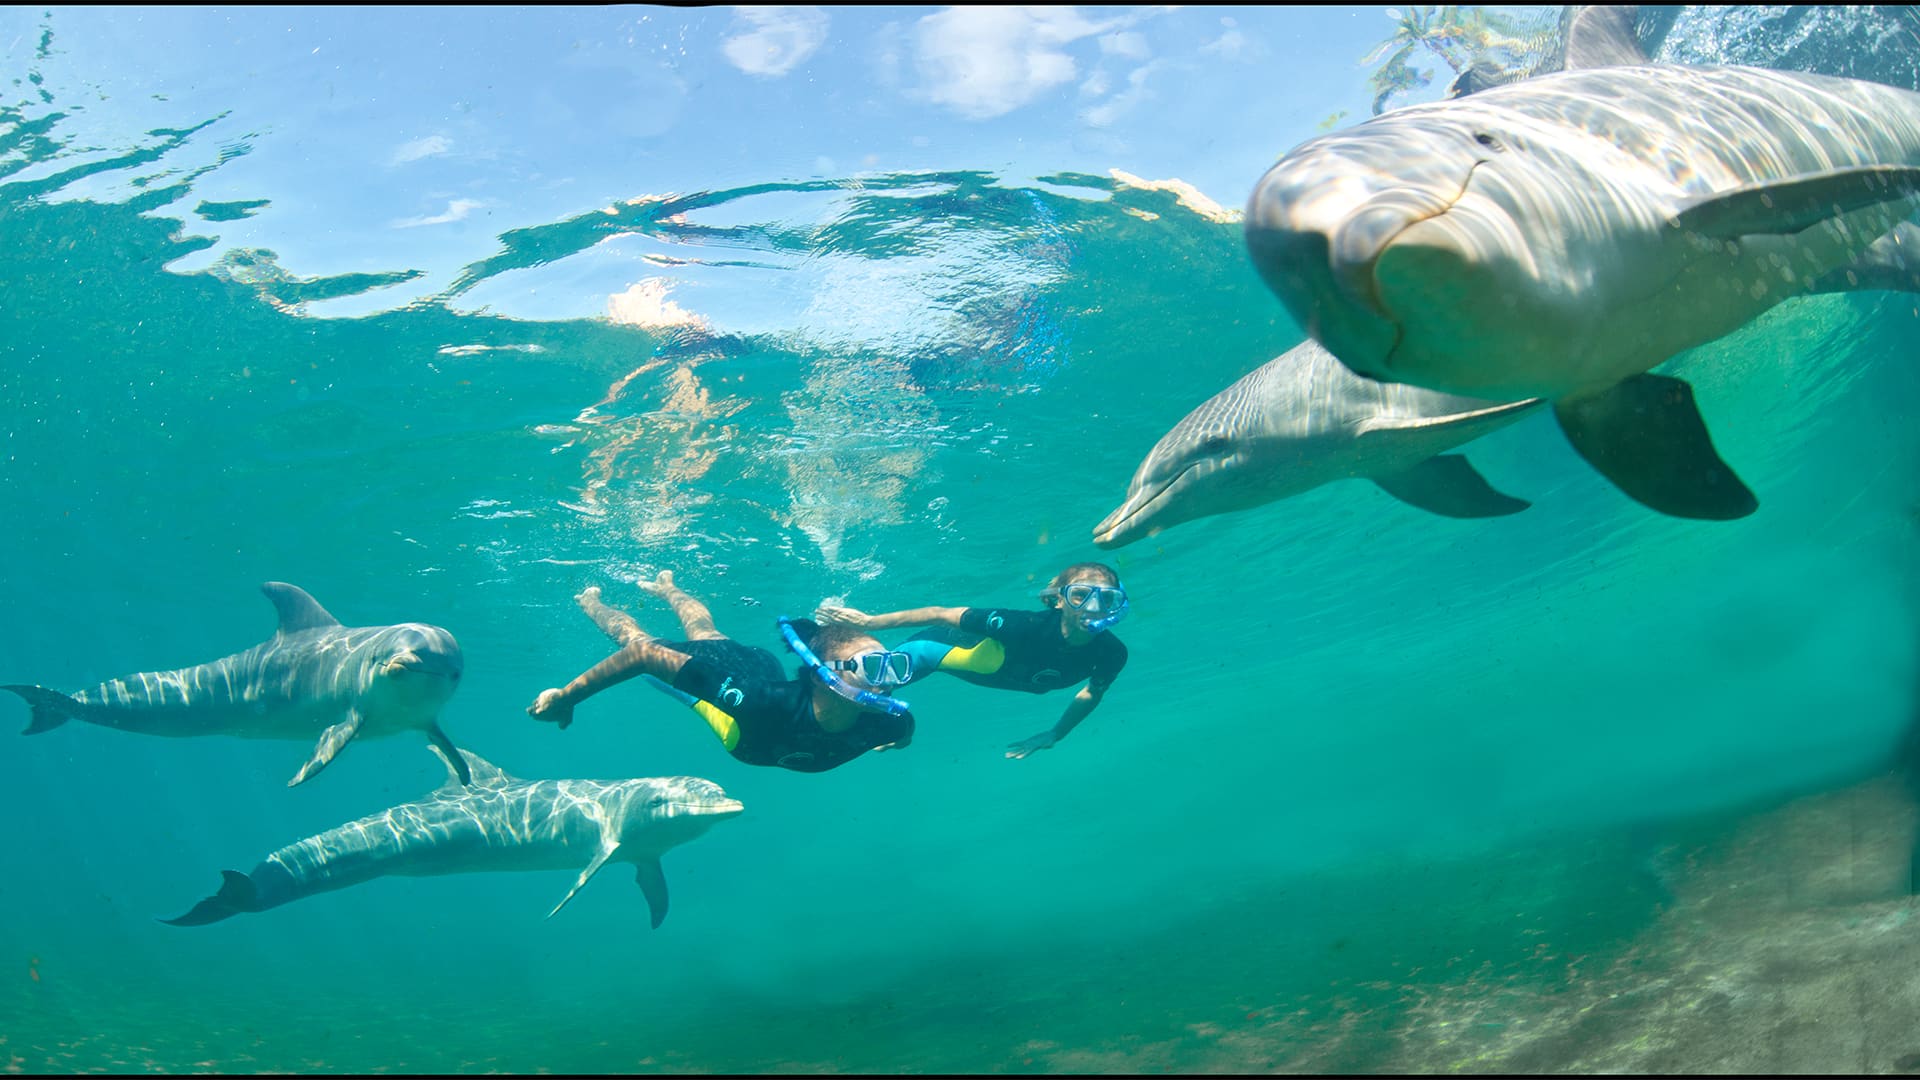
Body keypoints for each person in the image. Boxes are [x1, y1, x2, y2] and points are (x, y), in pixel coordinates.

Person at [527, 572, 913, 773]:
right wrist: (566, 696)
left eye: (893, 665)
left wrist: (890, 742)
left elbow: (904, 732)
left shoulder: (890, 722)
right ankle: (591, 602)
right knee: (636, 640)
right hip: (743, 712)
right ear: (821, 676)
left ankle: (668, 589)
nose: (888, 681)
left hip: (759, 669)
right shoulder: (761, 705)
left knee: (707, 634)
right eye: (872, 668)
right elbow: (643, 656)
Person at [814, 562, 1129, 759]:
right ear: (1059, 600)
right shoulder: (1024, 626)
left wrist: (1055, 734)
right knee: (863, 680)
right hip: (937, 649)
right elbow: (942, 614)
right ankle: (824, 641)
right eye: (1081, 595)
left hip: (997, 672)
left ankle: (874, 731)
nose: (1093, 607)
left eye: (1107, 598)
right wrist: (869, 622)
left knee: (884, 723)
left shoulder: (1111, 653)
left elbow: (1092, 692)